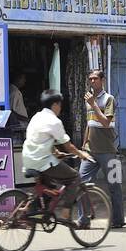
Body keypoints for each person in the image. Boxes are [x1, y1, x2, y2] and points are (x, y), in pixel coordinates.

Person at [23, 89, 91, 221]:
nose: (60, 108)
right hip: (42, 161)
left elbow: (40, 139)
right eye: (60, 105)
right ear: (55, 105)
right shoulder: (54, 121)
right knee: (75, 177)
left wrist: (56, 152)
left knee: (49, 188)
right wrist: (81, 154)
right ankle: (66, 211)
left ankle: (37, 211)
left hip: (28, 159)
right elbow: (68, 145)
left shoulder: (36, 117)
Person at [78, 70, 125, 229]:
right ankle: (83, 220)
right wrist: (84, 144)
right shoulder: (88, 99)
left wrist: (93, 104)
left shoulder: (109, 99)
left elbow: (106, 122)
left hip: (109, 151)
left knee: (115, 186)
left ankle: (118, 220)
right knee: (81, 184)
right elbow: (89, 123)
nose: (92, 82)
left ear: (102, 80)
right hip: (90, 151)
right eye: (90, 79)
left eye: (95, 79)